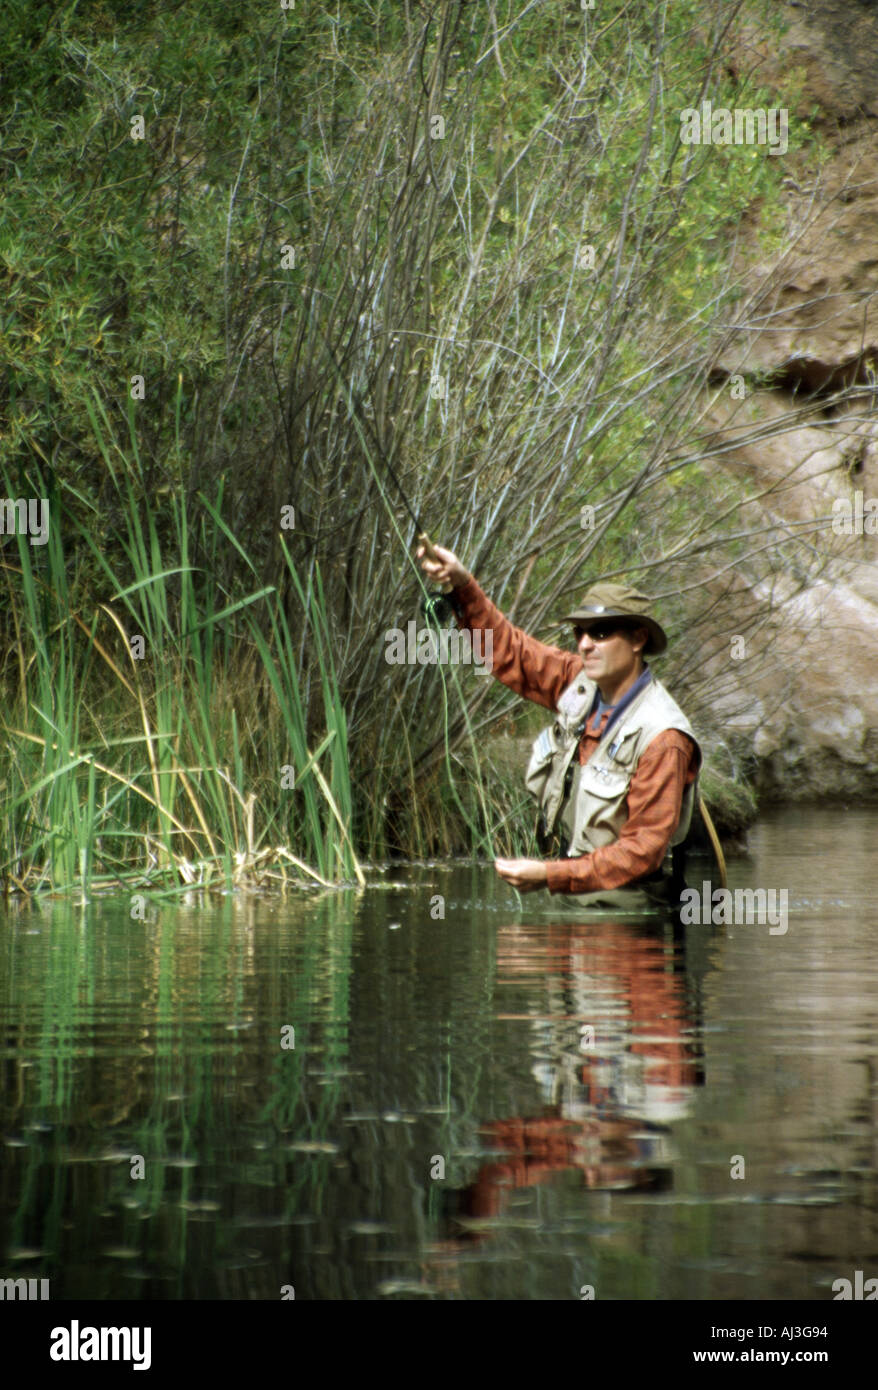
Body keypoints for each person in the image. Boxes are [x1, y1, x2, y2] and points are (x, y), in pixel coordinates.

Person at [417, 543, 701, 911]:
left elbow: (640, 853)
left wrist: (547, 876)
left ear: (638, 639)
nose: (585, 644)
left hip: (627, 919)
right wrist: (461, 585)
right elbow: (510, 652)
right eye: (579, 633)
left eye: (600, 633)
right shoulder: (579, 684)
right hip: (572, 902)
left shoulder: (664, 739)